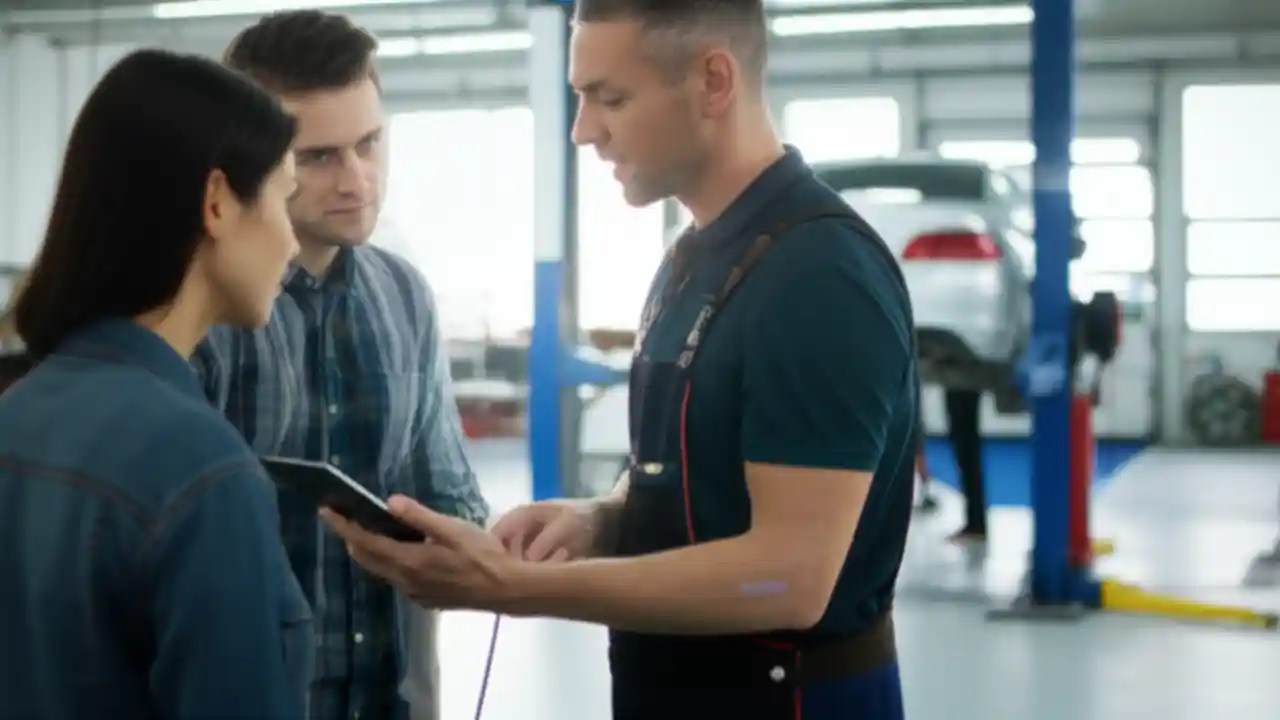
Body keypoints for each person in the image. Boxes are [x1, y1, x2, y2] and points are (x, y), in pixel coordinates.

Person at [323, 2, 917, 718]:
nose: (584, 130)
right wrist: (602, 518)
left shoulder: (818, 276)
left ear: (714, 82)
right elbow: (697, 471)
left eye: (610, 98)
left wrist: (514, 587)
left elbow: (789, 579)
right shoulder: (693, 260)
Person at [191, 10, 491, 719]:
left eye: (369, 143)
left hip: (386, 698)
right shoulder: (202, 308)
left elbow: (445, 493)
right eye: (319, 157)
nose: (358, 181)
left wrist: (484, 544)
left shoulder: (404, 296)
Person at [0, 49, 310, 718]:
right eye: (284, 199)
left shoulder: (18, 412)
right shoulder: (203, 471)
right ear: (218, 202)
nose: (292, 242)